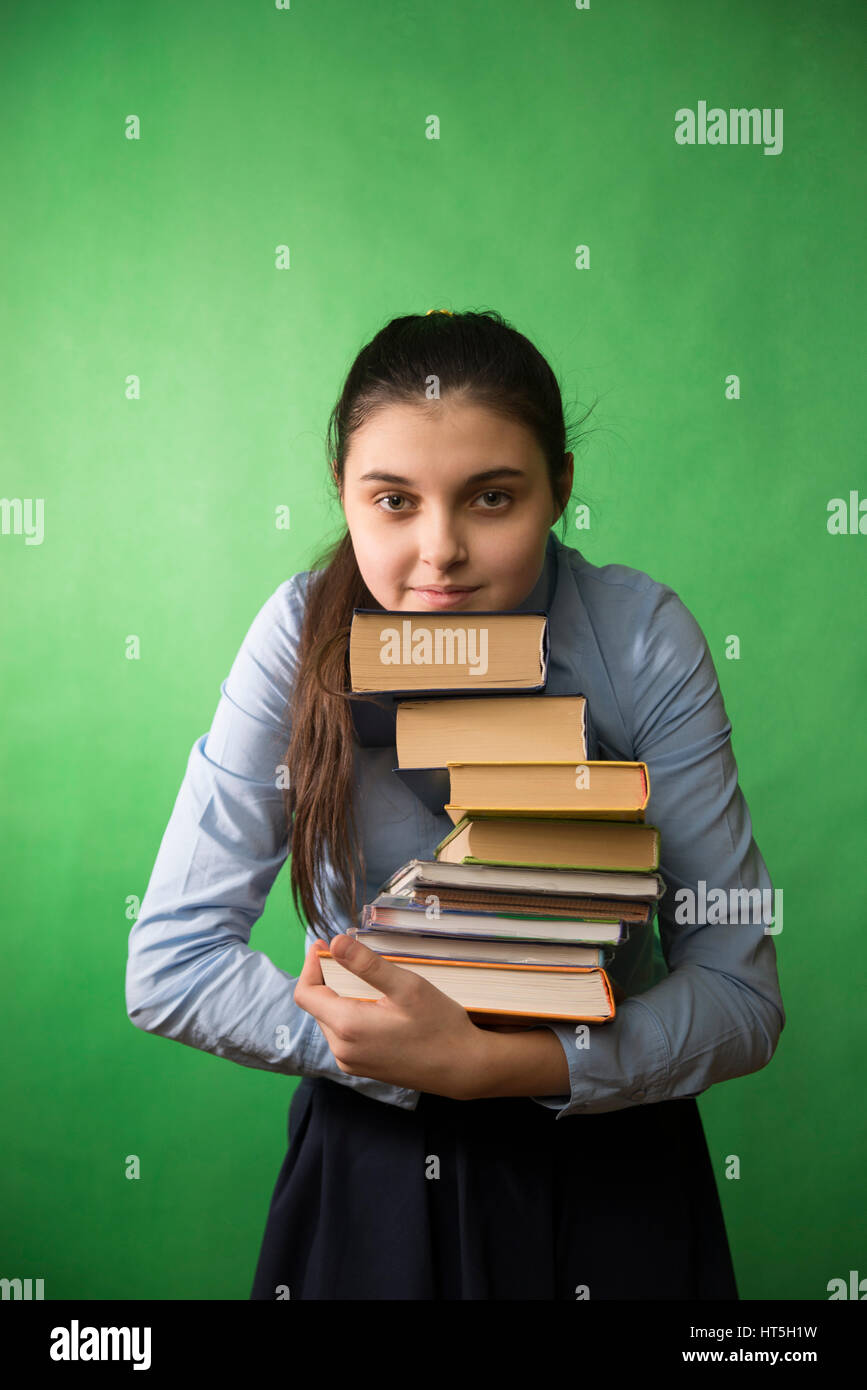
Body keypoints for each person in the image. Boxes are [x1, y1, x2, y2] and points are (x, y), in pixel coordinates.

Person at [125, 309, 785, 1300]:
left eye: (491, 497)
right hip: (374, 1174)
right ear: (344, 495)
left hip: (610, 1167)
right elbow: (170, 962)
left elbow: (743, 995)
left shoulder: (640, 634)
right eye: (393, 500)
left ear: (560, 487)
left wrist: (505, 1067)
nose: (440, 552)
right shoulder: (299, 632)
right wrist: (398, 1054)